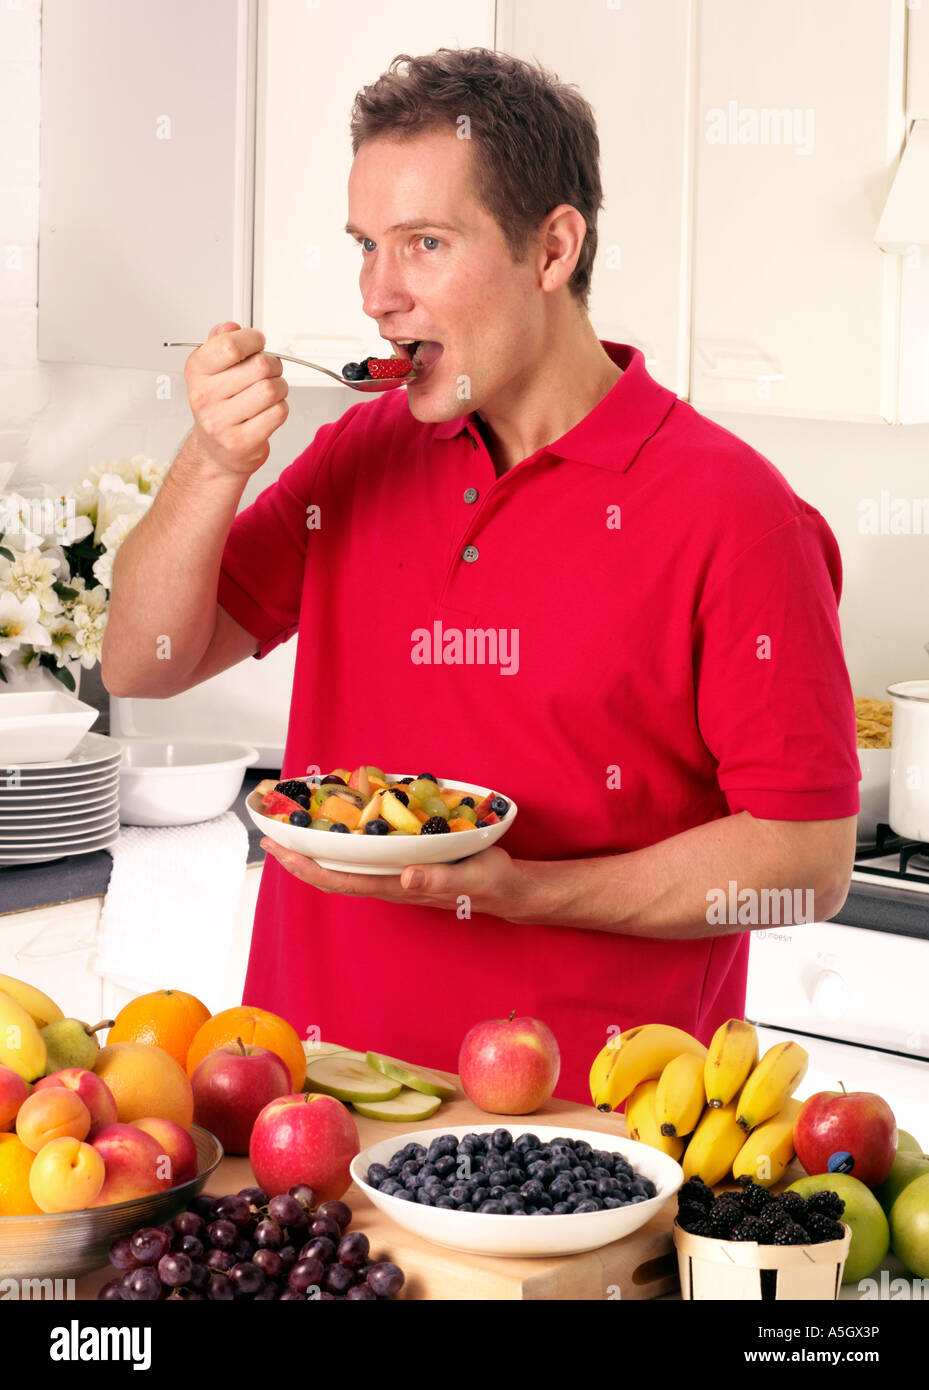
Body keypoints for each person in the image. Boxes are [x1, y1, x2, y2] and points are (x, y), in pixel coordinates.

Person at [102, 48, 860, 1103]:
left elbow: (804, 866)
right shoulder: (355, 457)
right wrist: (211, 461)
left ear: (551, 249)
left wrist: (520, 892)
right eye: (366, 246)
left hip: (576, 1150)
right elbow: (142, 662)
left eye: (424, 243)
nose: (377, 294)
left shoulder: (736, 514)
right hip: (306, 1114)